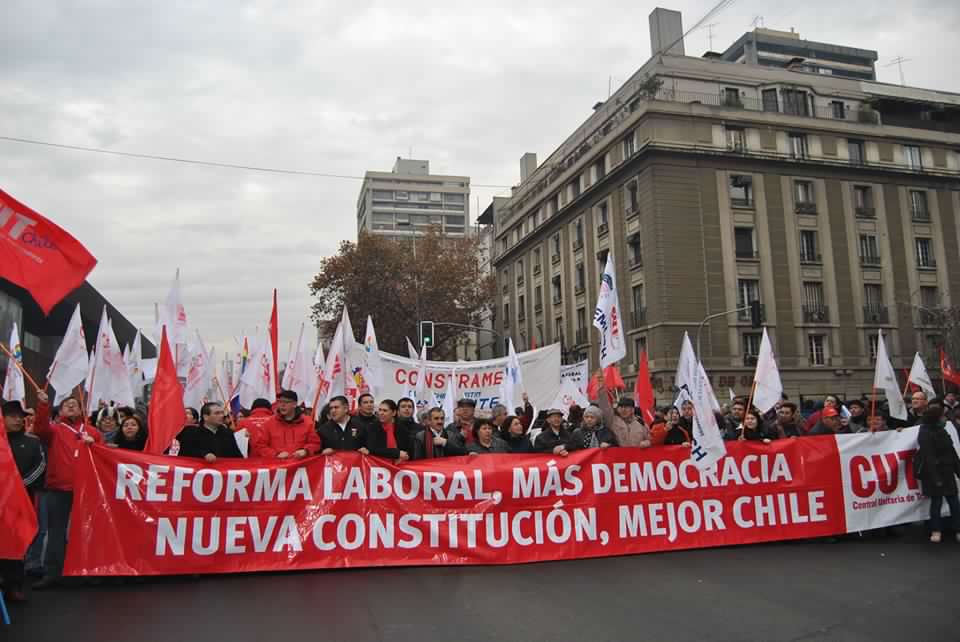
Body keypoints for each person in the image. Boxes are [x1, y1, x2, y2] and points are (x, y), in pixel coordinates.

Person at [31, 391, 103, 590]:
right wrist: (43, 405)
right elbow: (39, 428)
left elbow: (105, 457)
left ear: (81, 410)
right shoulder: (54, 430)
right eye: (66, 404)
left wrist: (94, 444)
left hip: (87, 489)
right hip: (59, 488)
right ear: (60, 410)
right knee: (56, 532)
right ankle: (53, 573)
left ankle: (86, 570)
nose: (71, 406)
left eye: (75, 404)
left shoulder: (92, 432)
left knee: (86, 531)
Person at [1, 400, 45, 602]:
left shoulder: (32, 441)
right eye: (12, 416)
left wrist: (16, 487)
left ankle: (14, 586)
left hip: (21, 502)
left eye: (21, 416)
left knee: (16, 544)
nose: (18, 420)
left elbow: (40, 468)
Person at [915, 404, 960, 543]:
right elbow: (928, 456)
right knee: (937, 502)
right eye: (942, 416)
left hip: (947, 470)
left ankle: (957, 529)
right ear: (935, 417)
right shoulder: (925, 432)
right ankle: (936, 530)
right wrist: (935, 478)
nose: (945, 419)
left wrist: (958, 470)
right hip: (933, 472)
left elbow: (951, 451)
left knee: (954, 502)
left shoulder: (943, 430)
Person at [252, 390, 321, 460]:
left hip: (299, 467)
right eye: (280, 402)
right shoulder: (269, 423)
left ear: (294, 404)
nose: (282, 405)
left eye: (286, 402)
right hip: (277, 466)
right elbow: (260, 445)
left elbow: (315, 443)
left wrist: (306, 451)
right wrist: (275, 454)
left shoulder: (307, 422)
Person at [175, 402, 244, 461]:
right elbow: (185, 453)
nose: (222, 416)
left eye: (222, 413)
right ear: (206, 417)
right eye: (217, 413)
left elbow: (237, 456)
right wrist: (204, 455)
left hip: (221, 474)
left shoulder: (227, 433)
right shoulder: (191, 432)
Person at [596, 377, 650, 448]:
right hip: (619, 458)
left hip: (637, 458)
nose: (623, 410)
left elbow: (650, 439)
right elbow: (605, 408)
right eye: (621, 407)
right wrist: (601, 390)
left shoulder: (641, 423)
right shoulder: (612, 421)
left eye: (626, 407)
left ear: (633, 410)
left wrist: (647, 442)